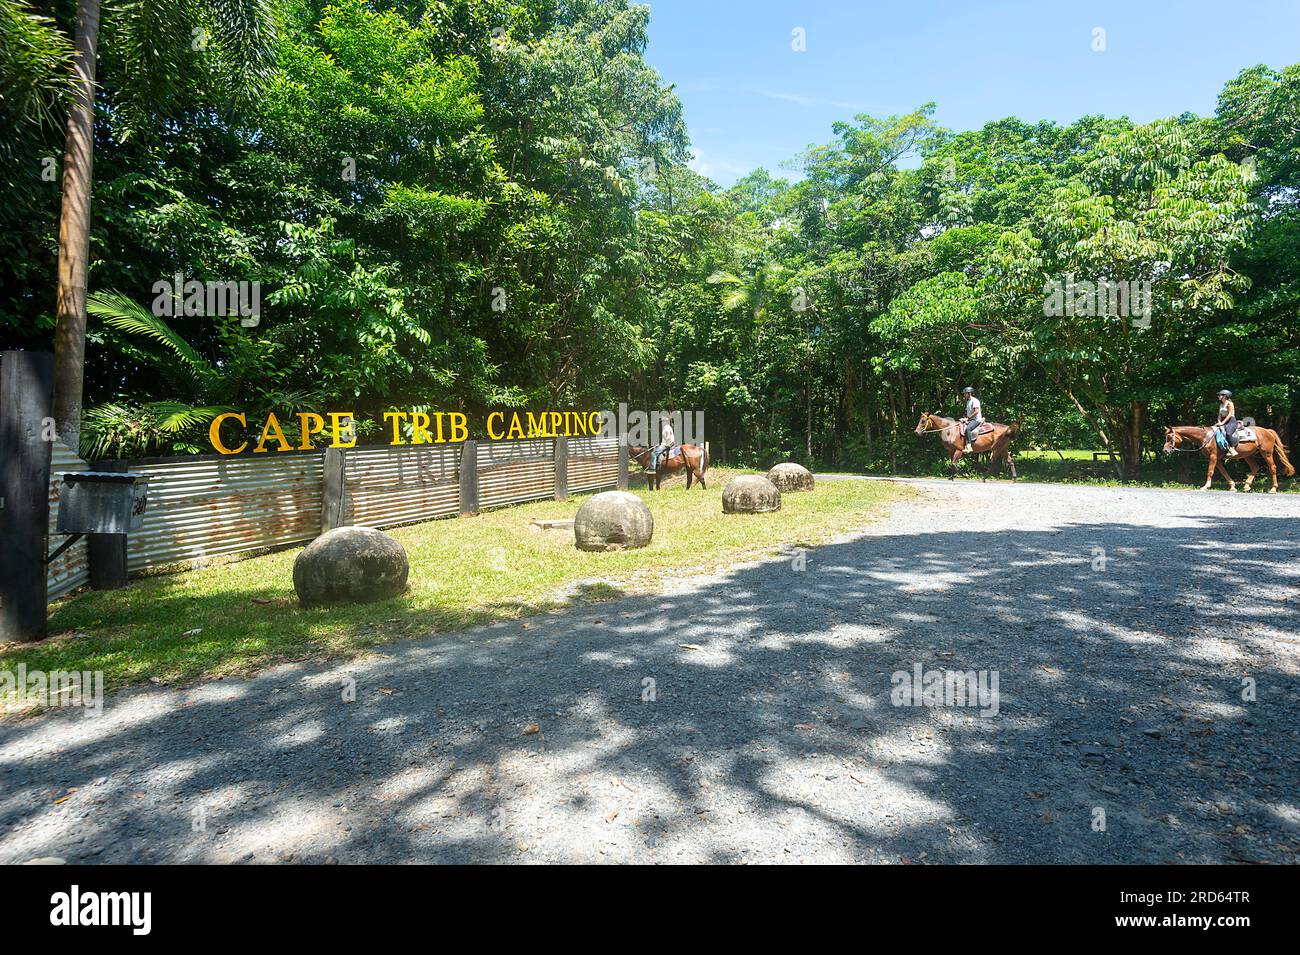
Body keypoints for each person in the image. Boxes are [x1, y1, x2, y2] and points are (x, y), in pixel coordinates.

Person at [958, 386, 984, 453]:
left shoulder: (975, 401)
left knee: (968, 429)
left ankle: (969, 446)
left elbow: (976, 411)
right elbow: (969, 413)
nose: (964, 395)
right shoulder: (968, 401)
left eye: (965, 393)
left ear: (969, 393)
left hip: (976, 420)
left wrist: (968, 418)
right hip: (971, 419)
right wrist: (965, 418)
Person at [1215, 389, 1239, 457]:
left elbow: (1229, 414)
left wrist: (1222, 423)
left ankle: (1232, 448)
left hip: (1231, 421)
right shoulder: (1221, 405)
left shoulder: (1229, 403)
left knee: (1228, 433)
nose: (1218, 396)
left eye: (1220, 395)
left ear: (1225, 396)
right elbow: (1219, 415)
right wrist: (1219, 422)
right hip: (1223, 421)